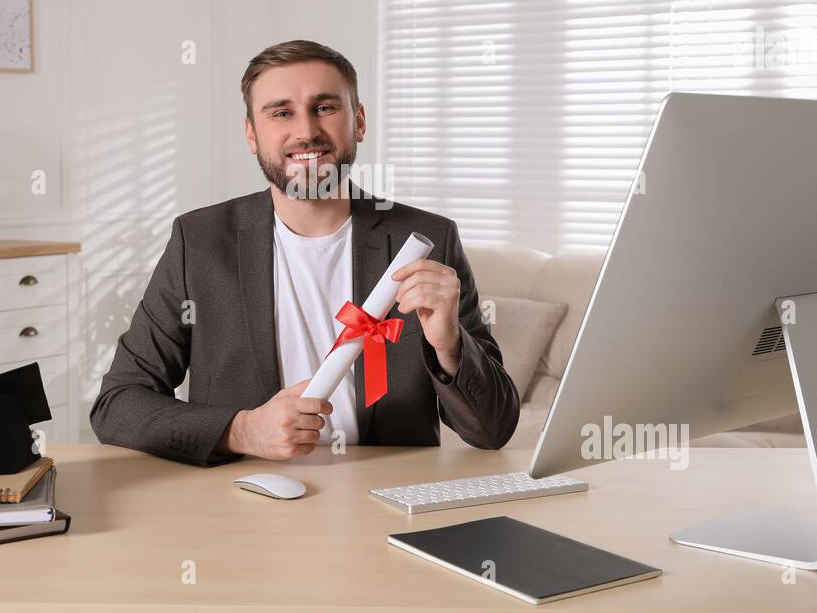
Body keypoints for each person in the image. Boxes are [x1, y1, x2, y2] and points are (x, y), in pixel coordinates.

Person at [89, 40, 518, 465]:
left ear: (359, 122)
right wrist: (242, 430)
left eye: (325, 108)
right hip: (242, 500)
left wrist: (450, 346)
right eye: (281, 113)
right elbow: (117, 405)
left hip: (388, 500)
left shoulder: (427, 239)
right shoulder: (199, 241)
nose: (306, 131)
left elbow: (493, 430)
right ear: (252, 135)